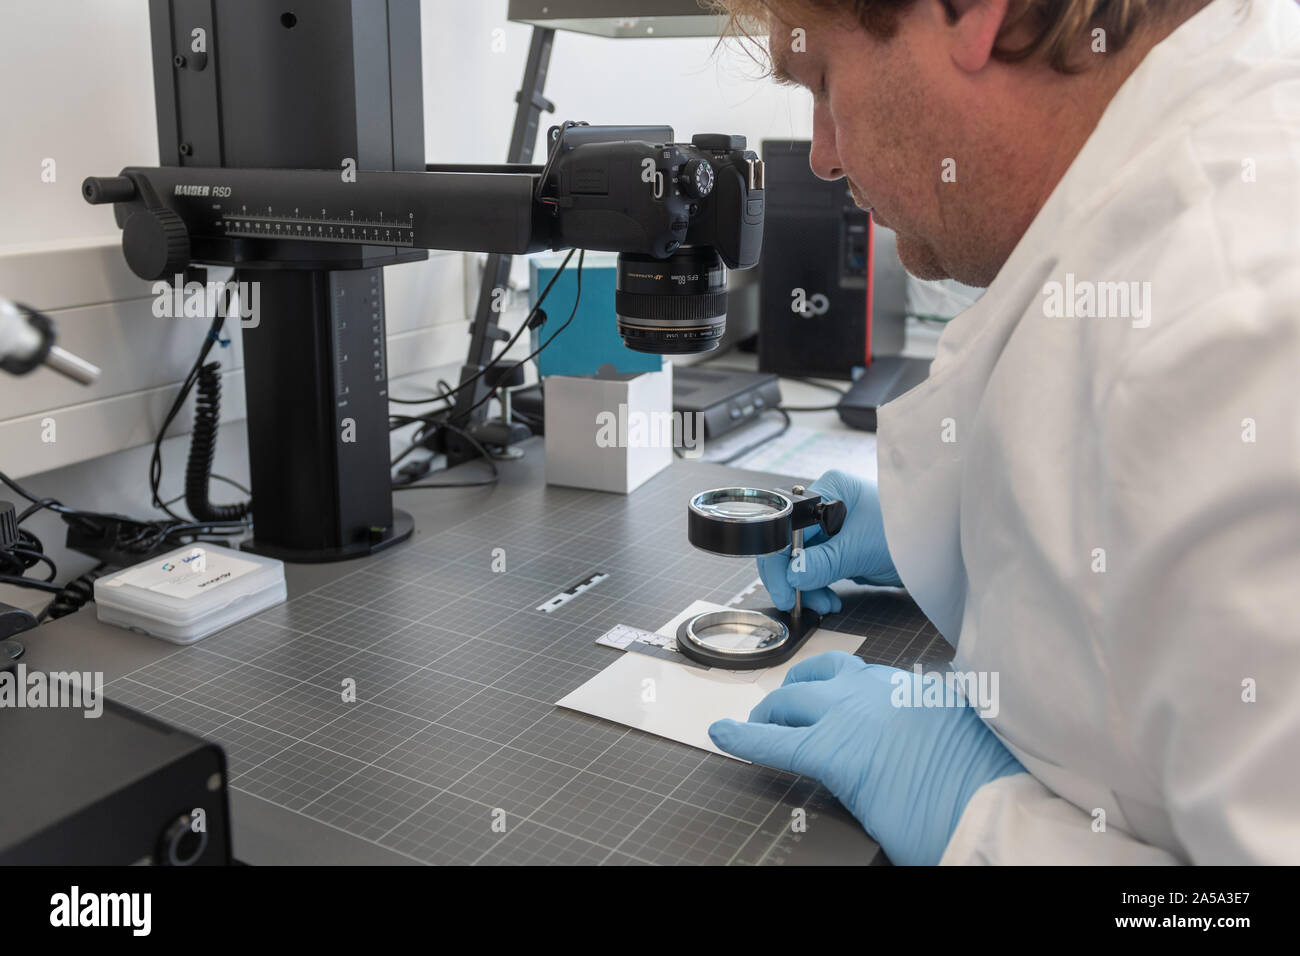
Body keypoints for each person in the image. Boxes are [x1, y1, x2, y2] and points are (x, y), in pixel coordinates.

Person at [706, 0, 1300, 864]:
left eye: (826, 82)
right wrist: (948, 539)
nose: (824, 156)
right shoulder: (1166, 181)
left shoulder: (1235, 325)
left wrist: (983, 826)